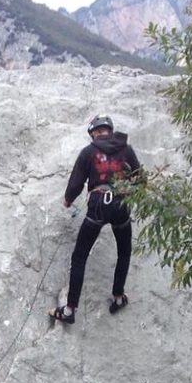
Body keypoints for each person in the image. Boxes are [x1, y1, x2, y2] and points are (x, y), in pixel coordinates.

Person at [52, 114, 142, 325]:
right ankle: (118, 297)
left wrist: (68, 200)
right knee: (124, 252)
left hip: (98, 204)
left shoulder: (89, 152)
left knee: (80, 257)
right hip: (121, 203)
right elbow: (140, 178)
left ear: (93, 133)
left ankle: (69, 310)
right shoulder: (126, 149)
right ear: (109, 131)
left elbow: (76, 183)